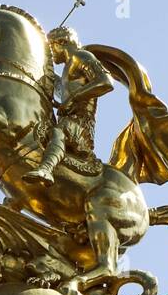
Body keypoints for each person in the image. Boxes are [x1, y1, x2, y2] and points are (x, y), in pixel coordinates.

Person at [24, 26, 115, 184]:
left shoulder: (81, 56)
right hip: (68, 120)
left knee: (58, 133)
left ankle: (46, 169)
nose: (51, 55)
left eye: (51, 48)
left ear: (61, 42)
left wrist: (72, 98)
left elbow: (106, 82)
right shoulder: (68, 67)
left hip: (80, 126)